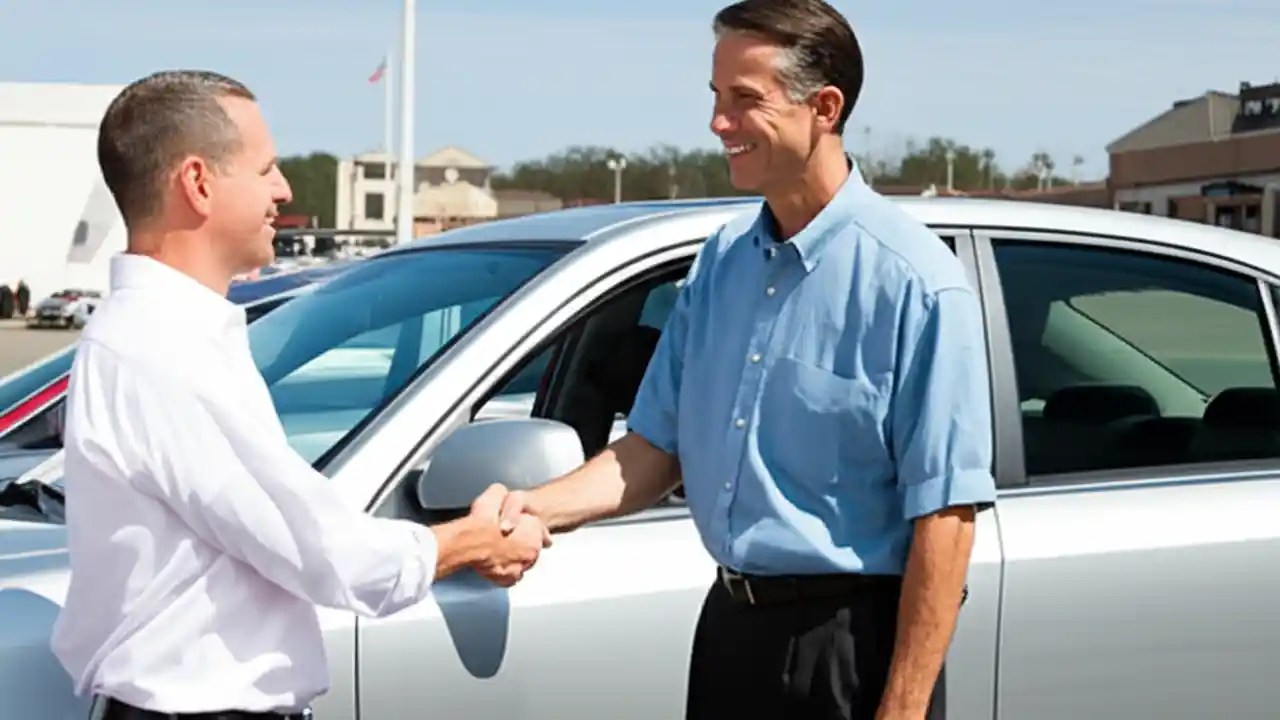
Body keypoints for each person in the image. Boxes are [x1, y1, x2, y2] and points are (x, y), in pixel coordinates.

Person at [495, 1, 996, 718]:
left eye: (744, 100)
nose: (717, 123)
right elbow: (651, 452)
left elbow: (945, 518)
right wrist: (529, 509)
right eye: (715, 98)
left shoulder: (915, 283)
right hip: (731, 635)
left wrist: (904, 707)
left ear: (824, 108)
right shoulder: (719, 266)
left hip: (852, 653)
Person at [50, 70, 549, 720]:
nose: (283, 191)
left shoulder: (160, 337)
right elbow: (323, 550)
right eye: (266, 170)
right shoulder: (162, 351)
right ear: (199, 184)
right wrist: (472, 542)